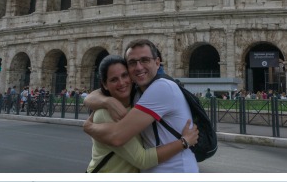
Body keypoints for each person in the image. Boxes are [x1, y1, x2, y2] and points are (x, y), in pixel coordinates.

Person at [81, 39, 201, 171]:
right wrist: (107, 101)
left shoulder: (161, 88)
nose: (138, 67)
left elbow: (118, 137)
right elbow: (94, 95)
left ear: (157, 62)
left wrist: (88, 127)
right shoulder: (138, 93)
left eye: (145, 60)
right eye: (132, 63)